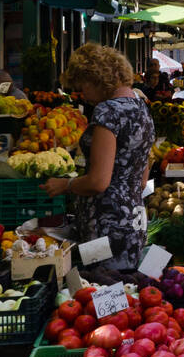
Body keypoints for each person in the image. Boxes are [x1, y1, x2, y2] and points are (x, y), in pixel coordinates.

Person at [40, 43, 155, 274]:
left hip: (105, 225)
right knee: (126, 294)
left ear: (95, 79)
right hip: (134, 221)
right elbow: (143, 179)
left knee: (100, 287)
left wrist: (66, 185)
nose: (82, 95)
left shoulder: (107, 113)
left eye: (82, 87)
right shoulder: (142, 109)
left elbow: (98, 182)